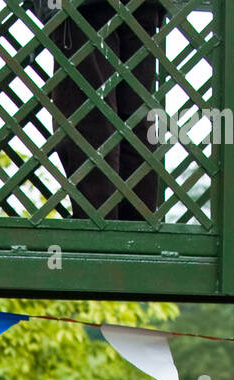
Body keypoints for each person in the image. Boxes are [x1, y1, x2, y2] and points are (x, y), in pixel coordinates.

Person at [26, 0, 164, 219]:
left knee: (89, 118)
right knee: (136, 118)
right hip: (143, 7)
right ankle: (136, 226)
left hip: (84, 8)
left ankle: (99, 222)